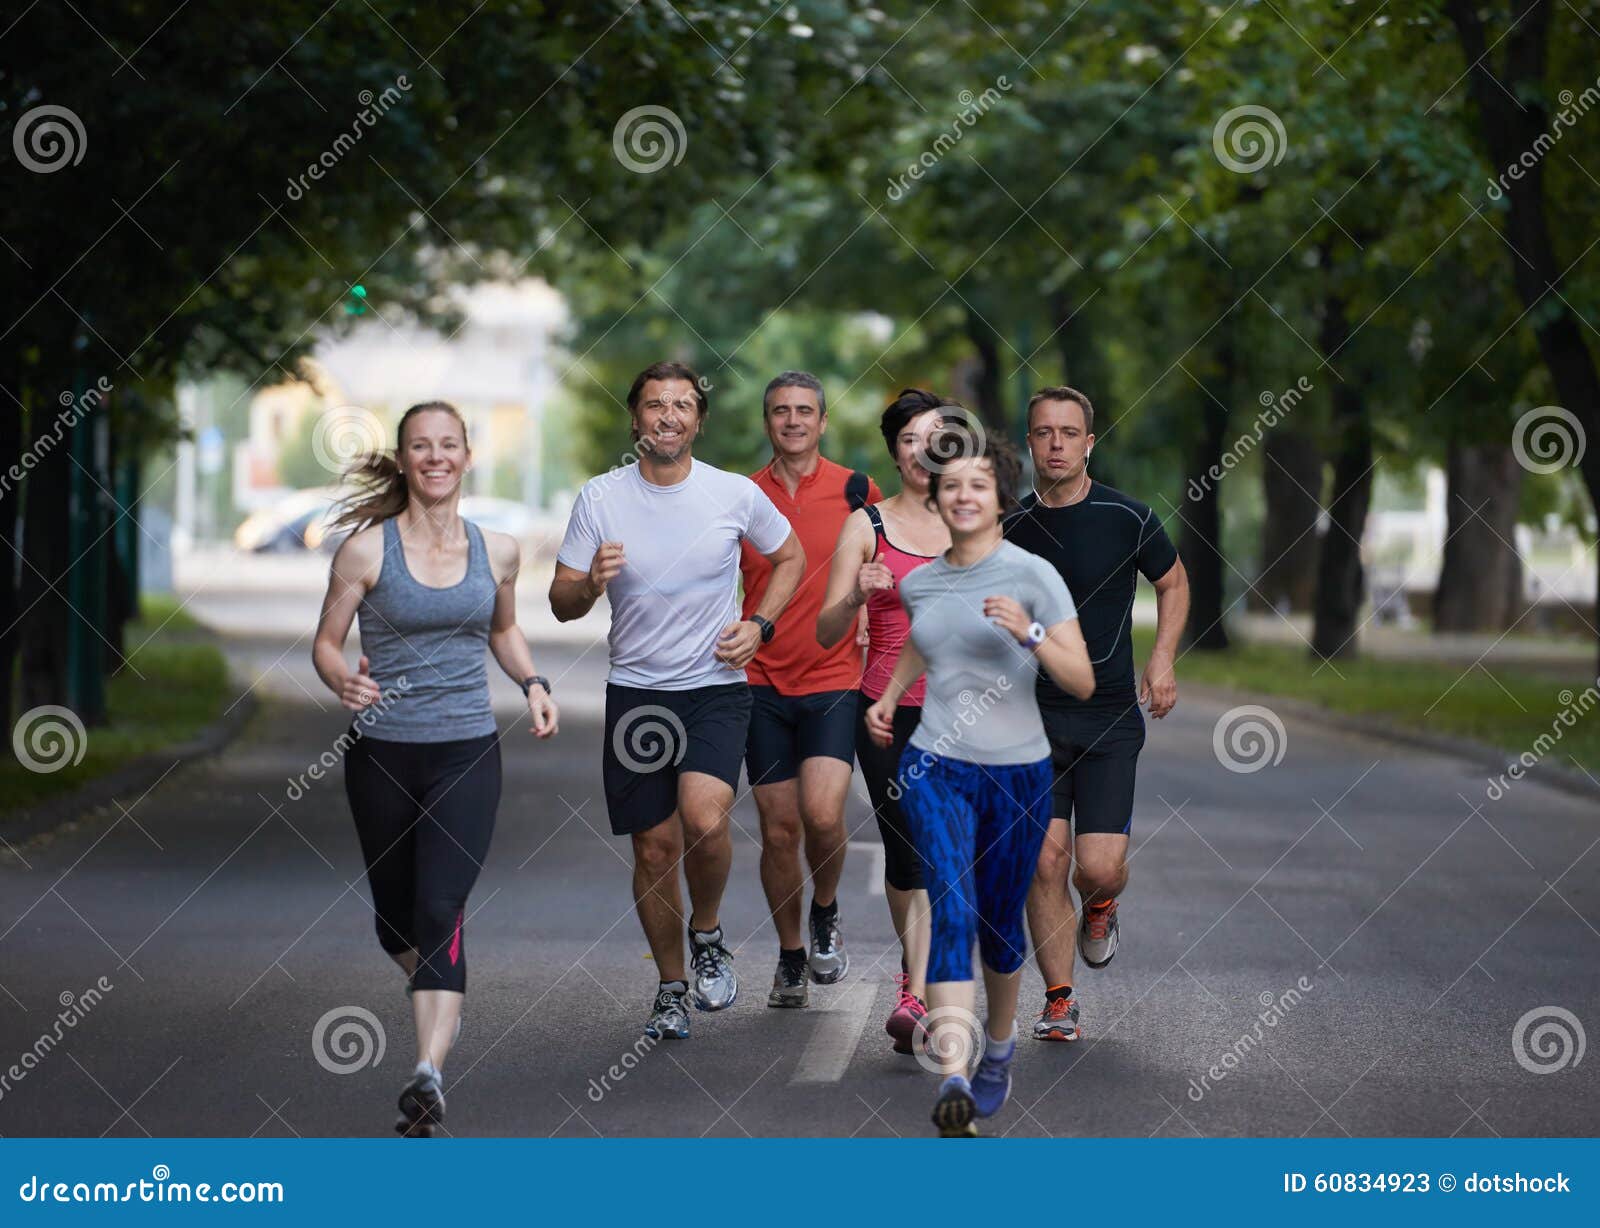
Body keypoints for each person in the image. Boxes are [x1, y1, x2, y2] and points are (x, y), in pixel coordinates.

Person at [312, 401, 559, 1138]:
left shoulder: (499, 551)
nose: (436, 457)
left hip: (466, 752)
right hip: (382, 754)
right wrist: (343, 680)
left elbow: (504, 628)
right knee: (396, 924)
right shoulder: (365, 552)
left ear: (467, 456)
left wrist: (533, 683)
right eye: (421, 446)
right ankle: (440, 988)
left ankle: (427, 1073)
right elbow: (326, 642)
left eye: (448, 444)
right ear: (404, 459)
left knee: (439, 908)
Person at [550, 361, 804, 1040]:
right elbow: (562, 602)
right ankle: (670, 988)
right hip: (637, 695)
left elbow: (791, 558)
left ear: (699, 420)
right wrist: (591, 583)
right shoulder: (601, 498)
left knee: (705, 819)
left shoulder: (731, 494)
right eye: (655, 404)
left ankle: (708, 931)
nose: (668, 416)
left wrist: (760, 625)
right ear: (635, 418)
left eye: (683, 405)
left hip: (715, 689)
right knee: (655, 848)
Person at [865, 426, 1094, 1137]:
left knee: (998, 928)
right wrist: (887, 695)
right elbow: (927, 642)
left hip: (1018, 773)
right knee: (952, 911)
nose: (963, 495)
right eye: (952, 484)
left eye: (979, 484)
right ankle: (955, 1078)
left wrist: (1030, 632)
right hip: (935, 766)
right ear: (937, 496)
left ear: (1000, 499)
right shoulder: (920, 582)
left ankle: (999, 1048)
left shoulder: (1033, 576)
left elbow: (1082, 680)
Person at [1003, 386, 1189, 1043]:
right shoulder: (1008, 527)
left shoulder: (1127, 517)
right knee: (1042, 864)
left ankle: (1102, 901)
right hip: (1030, 723)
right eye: (1043, 432)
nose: (1055, 444)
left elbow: (1173, 582)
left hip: (1108, 718)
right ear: (1030, 442)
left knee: (1098, 866)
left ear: (1089, 443)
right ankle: (1059, 1000)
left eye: (1068, 433)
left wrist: (1161, 659)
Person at [739, 372, 882, 1008]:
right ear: (767, 421)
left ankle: (825, 908)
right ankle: (791, 953)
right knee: (778, 831)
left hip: (834, 677)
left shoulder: (858, 491)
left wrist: (872, 616)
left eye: (804, 411)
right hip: (759, 681)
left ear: (823, 422)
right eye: (780, 411)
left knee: (823, 815)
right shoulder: (743, 497)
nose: (793, 421)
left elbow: (888, 564)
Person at [816, 389, 951, 1050]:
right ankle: (916, 983)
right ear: (895, 453)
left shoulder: (978, 517)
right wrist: (856, 597)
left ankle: (923, 990)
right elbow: (825, 629)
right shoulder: (865, 525)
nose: (922, 451)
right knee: (909, 851)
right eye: (909, 439)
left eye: (935, 438)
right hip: (888, 714)